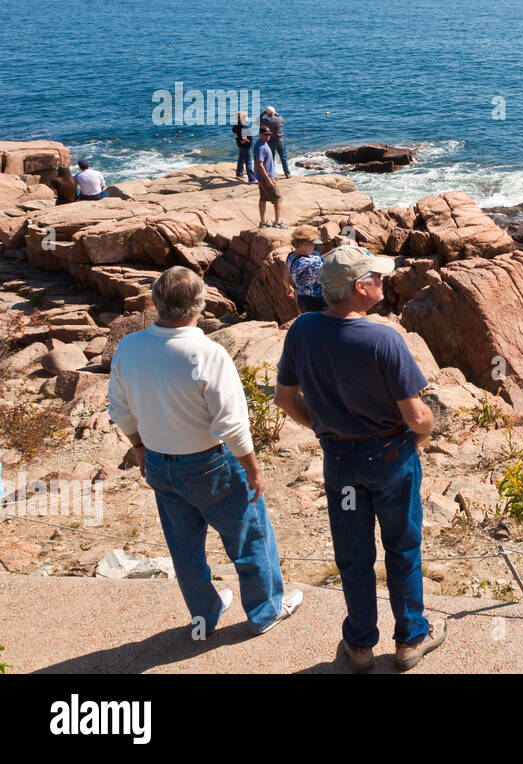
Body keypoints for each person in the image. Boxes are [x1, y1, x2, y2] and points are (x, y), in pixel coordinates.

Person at [274, 244, 443, 673]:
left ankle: (360, 644)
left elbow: (284, 398)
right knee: (402, 547)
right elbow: (417, 414)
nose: (383, 282)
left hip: (340, 464)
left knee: (353, 554)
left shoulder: (303, 329)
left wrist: (323, 427)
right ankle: (410, 639)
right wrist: (420, 437)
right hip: (389, 458)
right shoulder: (383, 338)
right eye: (378, 277)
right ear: (359, 288)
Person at [107, 267, 302, 637]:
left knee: (184, 548)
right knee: (249, 539)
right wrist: (253, 469)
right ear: (200, 305)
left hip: (160, 463)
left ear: (155, 301)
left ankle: (204, 614)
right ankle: (265, 611)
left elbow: (120, 408)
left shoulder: (129, 347)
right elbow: (231, 424)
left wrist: (138, 448)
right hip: (211, 464)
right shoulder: (207, 353)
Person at [285, 226, 326, 313]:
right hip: (318, 302)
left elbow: (285, 275)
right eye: (313, 244)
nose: (314, 246)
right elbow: (333, 271)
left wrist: (288, 286)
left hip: (302, 299)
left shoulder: (291, 256)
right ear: (304, 244)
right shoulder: (312, 263)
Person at [252, 123, 285, 229]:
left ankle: (263, 222)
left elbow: (268, 161)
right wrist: (268, 179)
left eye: (269, 134)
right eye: (265, 134)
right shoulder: (260, 147)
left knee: (263, 199)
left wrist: (274, 173)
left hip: (265, 177)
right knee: (278, 199)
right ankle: (278, 222)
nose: (268, 136)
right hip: (265, 178)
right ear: (260, 134)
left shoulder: (264, 143)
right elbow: (260, 164)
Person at [259, 106, 291, 177]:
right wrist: (275, 113)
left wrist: (262, 114)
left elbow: (258, 121)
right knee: (283, 157)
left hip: (270, 141)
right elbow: (282, 118)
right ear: (274, 112)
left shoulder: (266, 120)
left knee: (271, 158)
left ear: (267, 113)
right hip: (280, 140)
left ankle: (272, 174)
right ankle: (287, 173)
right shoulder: (279, 119)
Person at [233, 110, 255, 183]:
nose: (247, 117)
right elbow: (244, 138)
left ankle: (239, 173)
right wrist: (247, 141)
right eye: (246, 116)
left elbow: (235, 133)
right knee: (248, 162)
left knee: (241, 159)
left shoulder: (236, 126)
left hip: (240, 146)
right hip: (245, 147)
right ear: (243, 118)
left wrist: (239, 141)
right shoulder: (244, 127)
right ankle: (251, 179)